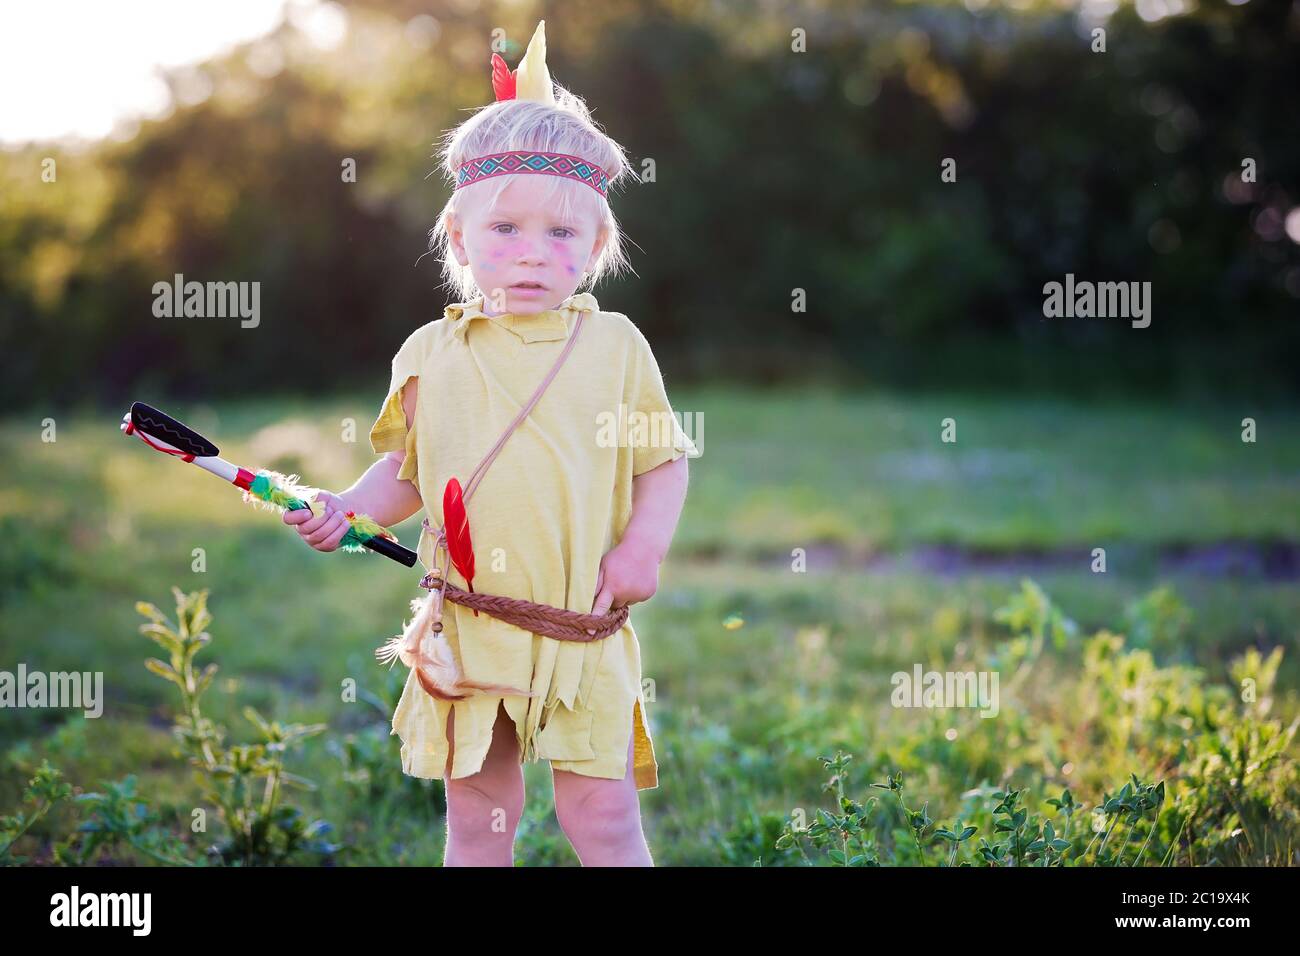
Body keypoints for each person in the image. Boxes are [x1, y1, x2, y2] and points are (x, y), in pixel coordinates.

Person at [283, 20, 695, 867]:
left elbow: (662, 459)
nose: (532, 254)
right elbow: (407, 472)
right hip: (471, 630)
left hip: (581, 624)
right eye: (504, 231)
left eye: (561, 234)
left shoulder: (615, 347)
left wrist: (644, 547)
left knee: (604, 819)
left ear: (596, 247)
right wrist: (349, 510)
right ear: (461, 238)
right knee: (479, 820)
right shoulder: (431, 353)